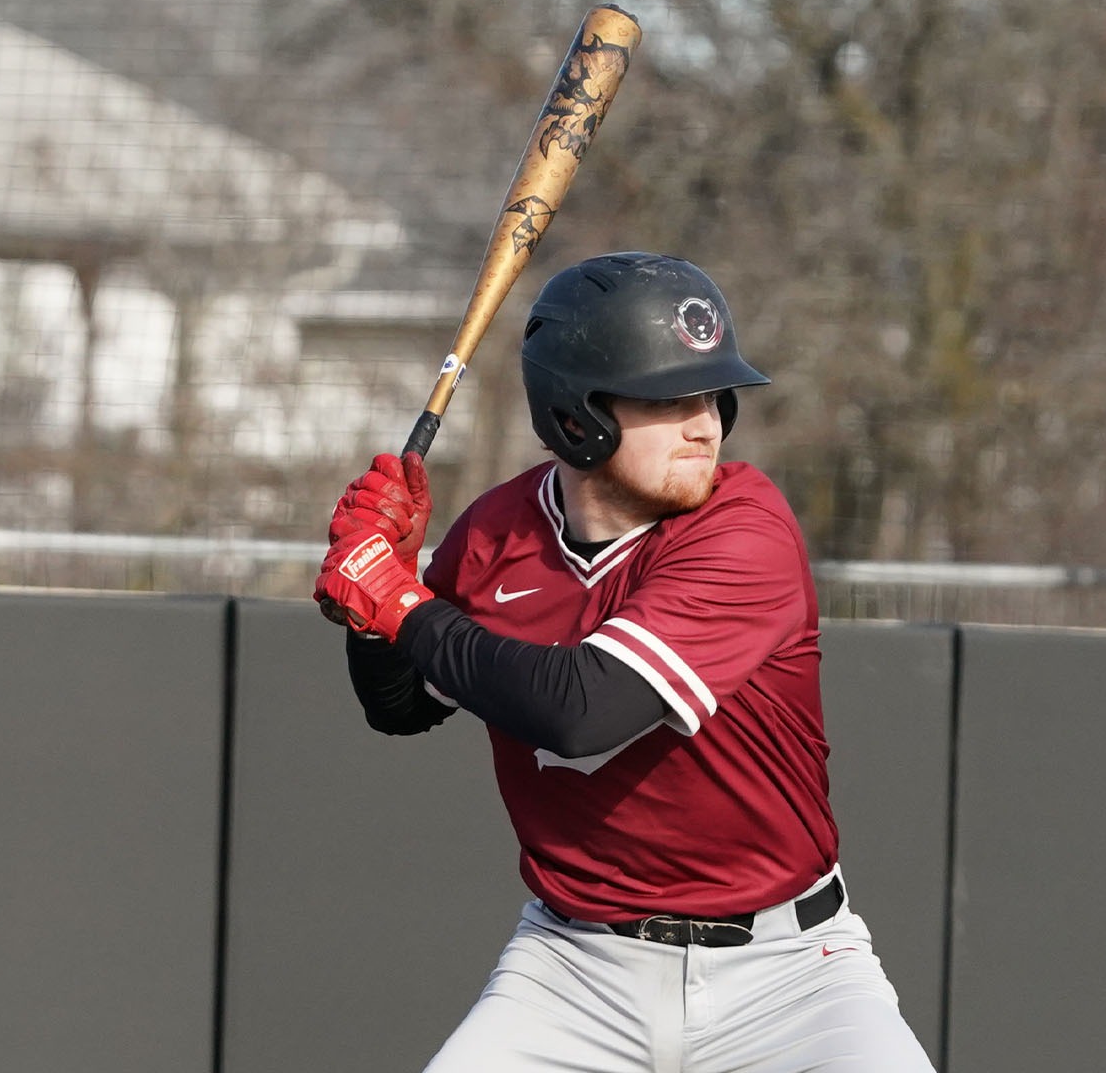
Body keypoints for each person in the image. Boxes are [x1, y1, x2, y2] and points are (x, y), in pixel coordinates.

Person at [313, 251, 937, 1072]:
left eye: (714, 395)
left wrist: (399, 602)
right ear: (578, 417)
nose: (706, 422)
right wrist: (371, 613)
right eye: (669, 398)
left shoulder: (744, 527)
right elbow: (400, 704)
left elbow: (585, 710)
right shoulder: (495, 534)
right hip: (574, 969)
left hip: (791, 976)